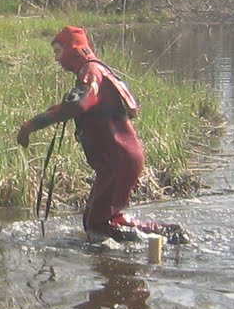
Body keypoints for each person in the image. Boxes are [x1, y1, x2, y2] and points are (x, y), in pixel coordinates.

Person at [15, 25, 177, 242]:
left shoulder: (92, 72)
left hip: (119, 159)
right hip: (117, 160)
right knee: (94, 221)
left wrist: (31, 125)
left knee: (100, 224)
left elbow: (78, 105)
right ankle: (142, 245)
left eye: (57, 52)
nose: (56, 59)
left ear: (73, 49)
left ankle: (166, 237)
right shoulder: (93, 71)